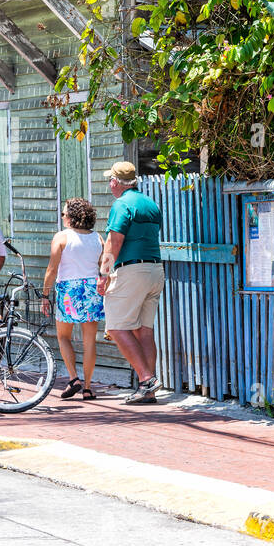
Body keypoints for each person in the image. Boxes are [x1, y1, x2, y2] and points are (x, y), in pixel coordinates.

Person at [99, 161, 164, 405]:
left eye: (110, 180)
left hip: (132, 270)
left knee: (115, 327)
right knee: (144, 331)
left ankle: (147, 379)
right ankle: (149, 390)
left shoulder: (121, 204)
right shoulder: (150, 203)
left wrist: (103, 275)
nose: (109, 184)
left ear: (115, 182)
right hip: (155, 269)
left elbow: (113, 242)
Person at [42, 198, 105, 400]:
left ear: (70, 217)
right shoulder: (98, 239)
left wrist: (45, 294)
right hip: (91, 288)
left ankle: (73, 378)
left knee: (63, 337)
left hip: (69, 289)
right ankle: (87, 388)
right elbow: (103, 268)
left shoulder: (61, 237)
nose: (62, 217)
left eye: (63, 214)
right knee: (89, 342)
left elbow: (52, 270)